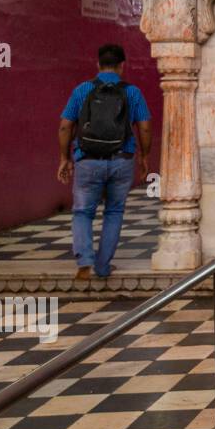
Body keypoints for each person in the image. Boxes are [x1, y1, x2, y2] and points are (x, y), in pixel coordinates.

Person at [57, 43, 153, 280]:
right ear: (122, 66)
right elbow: (145, 127)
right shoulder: (132, 93)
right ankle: (103, 266)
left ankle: (84, 260)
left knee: (82, 212)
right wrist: (144, 155)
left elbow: (65, 126)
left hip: (87, 160)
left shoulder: (82, 90)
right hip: (121, 160)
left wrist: (64, 157)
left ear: (98, 64)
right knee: (114, 211)